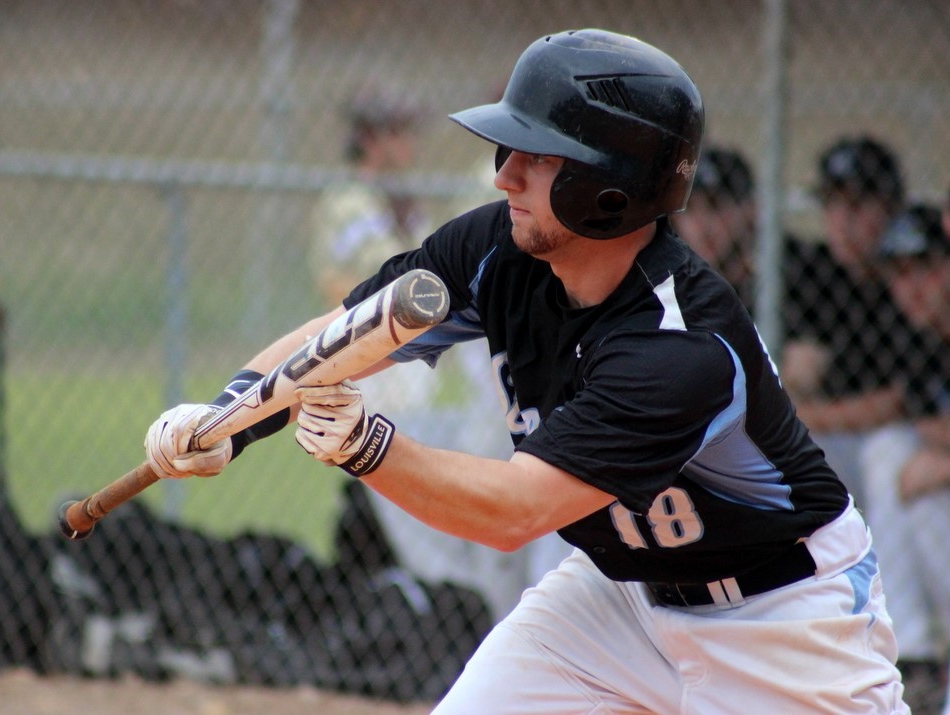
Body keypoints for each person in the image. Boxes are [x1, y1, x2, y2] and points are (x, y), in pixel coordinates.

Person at [143, 30, 909, 712]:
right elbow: (343, 337)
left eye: (535, 157)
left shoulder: (677, 348)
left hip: (783, 624)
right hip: (621, 599)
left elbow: (512, 512)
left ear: (608, 189)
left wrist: (364, 445)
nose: (504, 175)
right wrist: (232, 416)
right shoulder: (496, 249)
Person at [308, 85, 562, 623]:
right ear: (371, 138)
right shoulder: (353, 199)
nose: (409, 145)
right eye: (397, 132)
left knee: (450, 466)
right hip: (365, 355)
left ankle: (464, 599)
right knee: (407, 482)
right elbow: (383, 269)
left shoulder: (403, 199)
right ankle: (449, 601)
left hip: (406, 352)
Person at [860, 204, 950, 713]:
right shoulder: (918, 341)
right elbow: (928, 425)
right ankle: (916, 655)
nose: (911, 286)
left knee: (917, 474)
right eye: (898, 273)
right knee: (890, 453)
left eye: (925, 267)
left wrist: (943, 461)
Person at [780, 136, 920, 500]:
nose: (840, 221)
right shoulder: (817, 272)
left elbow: (903, 403)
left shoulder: (916, 277)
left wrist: (808, 415)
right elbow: (798, 379)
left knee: (887, 453)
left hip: (905, 438)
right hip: (839, 436)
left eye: (856, 205)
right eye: (831, 204)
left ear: (891, 206)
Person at [671, 146, 757, 310]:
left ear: (749, 210)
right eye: (689, 208)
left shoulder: (779, 285)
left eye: (715, 205)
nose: (702, 225)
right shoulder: (666, 291)